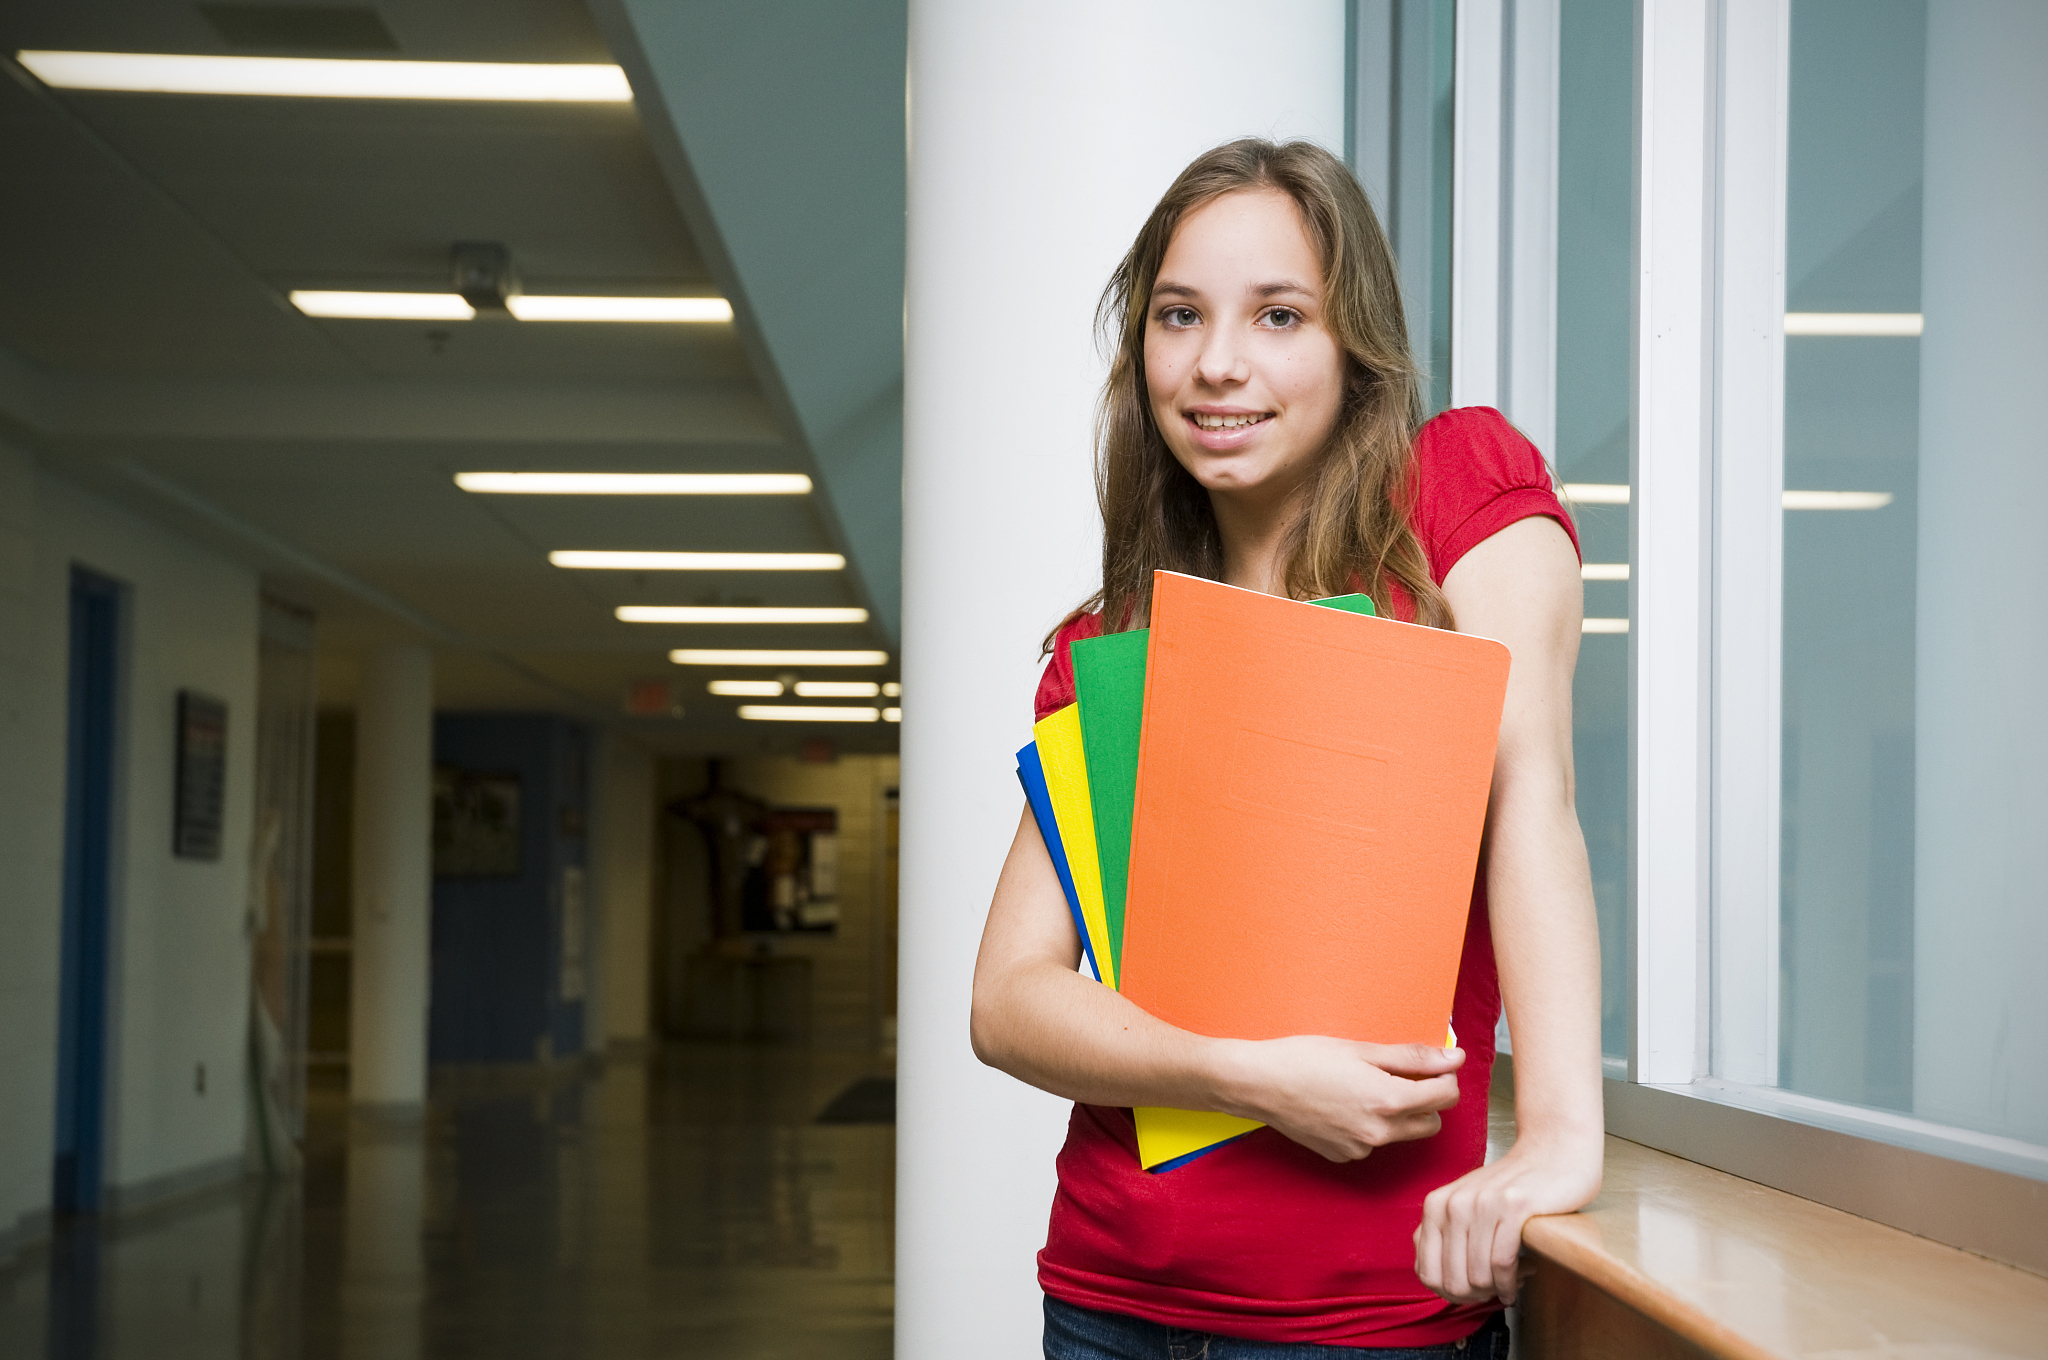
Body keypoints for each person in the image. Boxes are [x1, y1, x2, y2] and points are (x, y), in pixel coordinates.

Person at [969, 139, 1605, 1358]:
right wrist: (1248, 1075)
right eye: (1177, 315)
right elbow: (1007, 999)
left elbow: (1534, 794)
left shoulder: (1454, 502)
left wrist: (1559, 1134)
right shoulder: (1109, 642)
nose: (1217, 362)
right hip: (1110, 1300)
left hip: (1369, 1314)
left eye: (1276, 315)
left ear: (1349, 344)